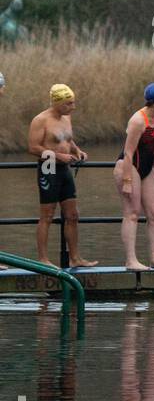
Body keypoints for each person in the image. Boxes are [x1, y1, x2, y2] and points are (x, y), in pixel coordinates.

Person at [28, 84, 94, 267]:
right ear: (56, 103)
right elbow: (33, 148)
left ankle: (75, 258)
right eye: (68, 104)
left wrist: (78, 151)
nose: (72, 107)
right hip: (48, 165)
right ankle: (43, 259)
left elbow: (67, 139)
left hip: (64, 168)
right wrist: (58, 155)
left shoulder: (66, 117)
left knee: (72, 214)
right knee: (47, 215)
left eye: (73, 103)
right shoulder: (41, 120)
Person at [115, 83, 154, 271]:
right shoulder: (138, 121)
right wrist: (127, 181)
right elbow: (129, 153)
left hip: (147, 166)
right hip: (128, 166)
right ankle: (131, 260)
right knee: (132, 212)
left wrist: (153, 168)